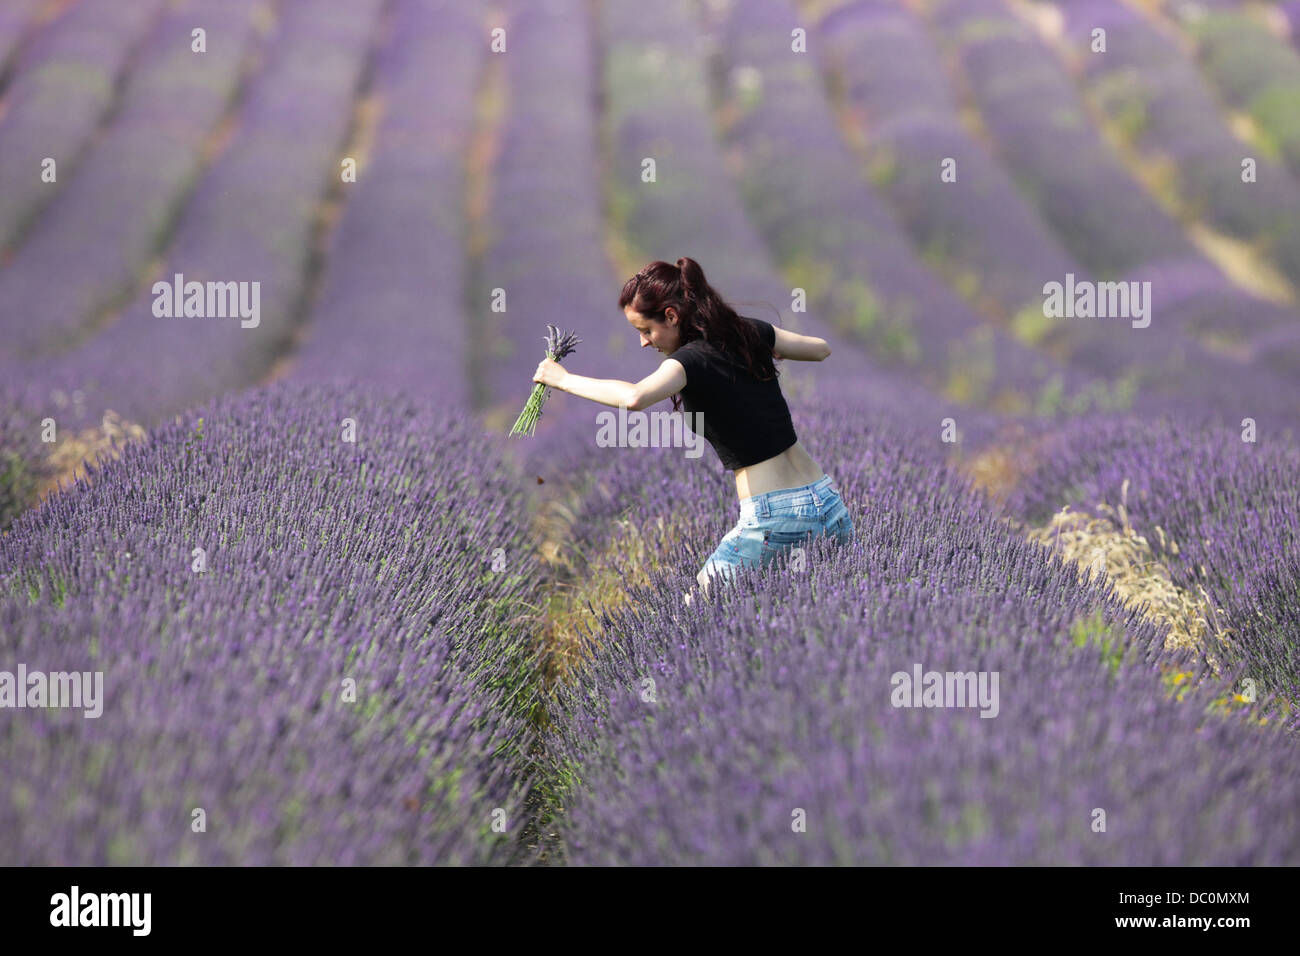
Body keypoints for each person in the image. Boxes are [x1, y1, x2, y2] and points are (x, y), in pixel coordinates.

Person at [532, 256, 854, 604]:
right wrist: (764, 347)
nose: (644, 342)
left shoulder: (690, 361)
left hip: (774, 519)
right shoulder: (749, 331)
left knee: (692, 616)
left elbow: (635, 397)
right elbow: (821, 350)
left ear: (671, 315)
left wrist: (563, 380)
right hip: (828, 502)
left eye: (646, 330)